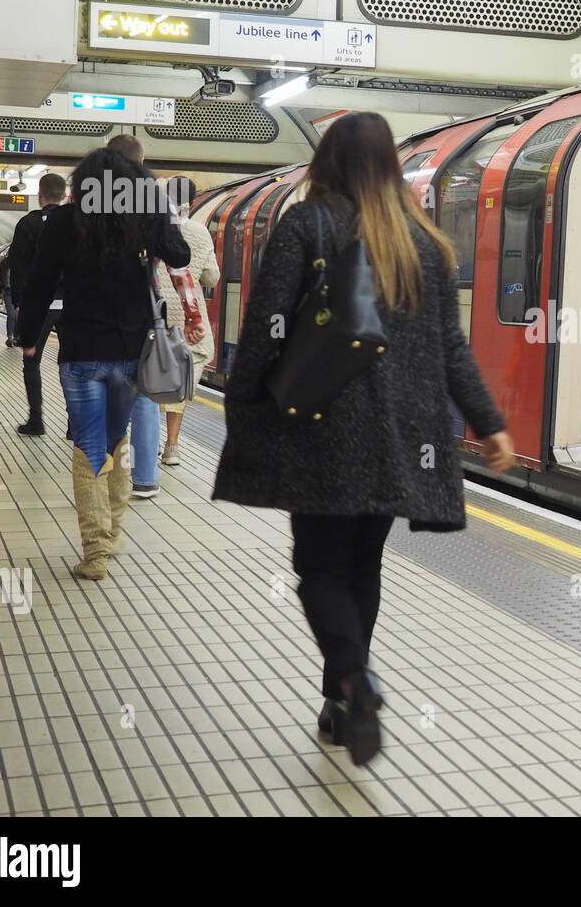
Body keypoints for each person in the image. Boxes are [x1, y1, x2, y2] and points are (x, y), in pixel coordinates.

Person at [212, 111, 515, 766]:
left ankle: (353, 677)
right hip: (400, 437)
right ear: (389, 168)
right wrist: (488, 423)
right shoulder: (424, 246)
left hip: (320, 427)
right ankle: (341, 703)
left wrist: (242, 401)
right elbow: (450, 348)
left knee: (319, 567)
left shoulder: (307, 224)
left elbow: (264, 325)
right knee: (362, 566)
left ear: (327, 163)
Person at [19, 148, 189, 580]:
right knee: (116, 442)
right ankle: (110, 535)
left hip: (80, 353)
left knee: (89, 449)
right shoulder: (142, 217)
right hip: (132, 352)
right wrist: (155, 210)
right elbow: (180, 255)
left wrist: (27, 338)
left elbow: (37, 284)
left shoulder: (61, 221)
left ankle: (95, 552)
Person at [104, 139, 204, 498]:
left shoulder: (84, 200)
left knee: (103, 392)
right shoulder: (156, 202)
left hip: (95, 315)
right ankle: (145, 478)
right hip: (142, 313)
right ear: (142, 161)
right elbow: (179, 266)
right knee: (144, 393)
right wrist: (192, 314)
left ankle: (106, 474)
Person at [135, 176, 218, 475]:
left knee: (148, 376)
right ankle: (172, 446)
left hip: (155, 312)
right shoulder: (200, 233)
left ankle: (148, 441)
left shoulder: (150, 225)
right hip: (187, 316)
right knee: (178, 381)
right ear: (193, 201)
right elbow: (212, 278)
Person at [10, 173, 68, 436]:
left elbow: (19, 267)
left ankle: (36, 420)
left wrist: (19, 303)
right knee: (71, 364)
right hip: (71, 305)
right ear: (65, 195)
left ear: (39, 195)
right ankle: (74, 426)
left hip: (40, 306)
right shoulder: (76, 222)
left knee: (31, 361)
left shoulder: (27, 224)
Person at [0, 245, 18, 346]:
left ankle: (16, 336)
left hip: (18, 292)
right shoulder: (5, 263)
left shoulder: (21, 263)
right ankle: (10, 336)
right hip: (8, 291)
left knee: (18, 315)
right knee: (11, 314)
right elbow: (1, 277)